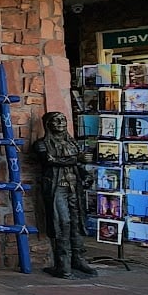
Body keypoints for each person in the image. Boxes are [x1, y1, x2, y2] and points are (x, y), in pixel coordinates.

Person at [31, 111, 96, 278]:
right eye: (56, 120)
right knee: (62, 223)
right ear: (48, 124)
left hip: (73, 186)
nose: (60, 123)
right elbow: (50, 161)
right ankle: (63, 263)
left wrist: (86, 175)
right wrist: (77, 159)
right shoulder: (41, 145)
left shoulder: (72, 144)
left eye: (63, 120)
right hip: (57, 187)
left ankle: (79, 259)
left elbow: (75, 165)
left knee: (77, 222)